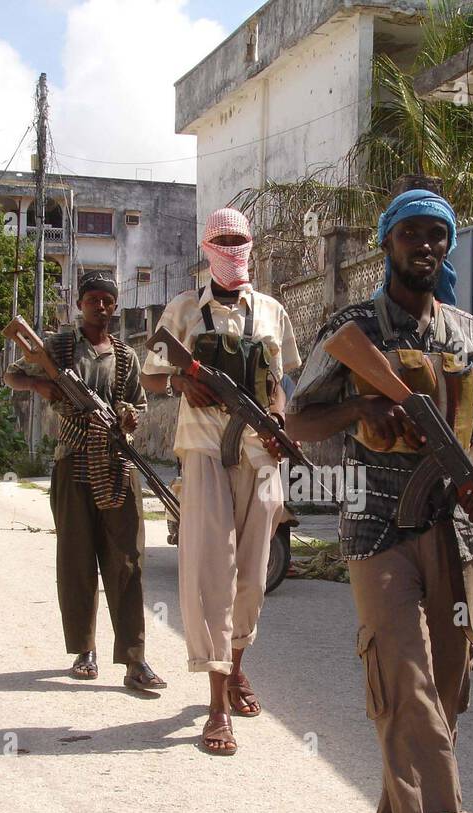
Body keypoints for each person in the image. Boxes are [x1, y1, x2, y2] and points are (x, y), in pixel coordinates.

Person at [285, 189, 473, 813]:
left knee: (450, 686)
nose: (426, 246)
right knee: (405, 678)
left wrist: (471, 465)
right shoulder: (353, 330)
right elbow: (298, 415)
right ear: (387, 243)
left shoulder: (468, 333)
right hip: (376, 525)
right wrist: (360, 410)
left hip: (452, 529)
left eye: (437, 236)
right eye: (412, 233)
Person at [141, 208, 299, 755]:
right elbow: (151, 373)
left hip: (260, 457)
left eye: (241, 239)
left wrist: (278, 420)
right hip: (206, 452)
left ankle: (236, 669)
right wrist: (186, 380)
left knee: (253, 575)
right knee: (212, 571)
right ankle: (215, 705)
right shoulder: (183, 309)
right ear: (206, 248)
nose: (234, 249)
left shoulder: (274, 312)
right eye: (224, 240)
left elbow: (282, 380)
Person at [4, 270, 166, 691]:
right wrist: (45, 387)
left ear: (114, 305)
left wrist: (129, 417)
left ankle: (134, 659)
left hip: (117, 464)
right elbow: (11, 376)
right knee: (77, 562)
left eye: (107, 300)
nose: (101, 306)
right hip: (72, 461)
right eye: (93, 298)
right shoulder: (56, 346)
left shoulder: (126, 356)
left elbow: (139, 404)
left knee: (127, 562)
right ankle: (84, 650)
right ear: (80, 304)